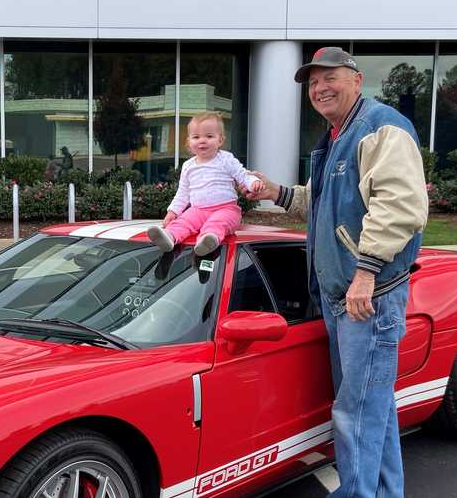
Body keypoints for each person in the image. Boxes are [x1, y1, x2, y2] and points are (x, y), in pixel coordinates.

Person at [248, 46, 428, 498]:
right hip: (342, 297)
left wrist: (366, 272)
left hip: (368, 297)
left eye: (330, 78)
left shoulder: (380, 128)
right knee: (373, 409)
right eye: (313, 83)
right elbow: (326, 203)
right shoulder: (334, 138)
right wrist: (278, 193)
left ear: (356, 80)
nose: (320, 88)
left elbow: (400, 206)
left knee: (355, 411)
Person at [146, 112, 261, 256]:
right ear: (189, 142)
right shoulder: (188, 166)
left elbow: (242, 175)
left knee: (218, 223)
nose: (202, 141)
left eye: (209, 136)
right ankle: (169, 237)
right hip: (198, 210)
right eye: (196, 137)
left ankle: (208, 241)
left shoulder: (226, 159)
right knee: (183, 222)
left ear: (220, 140)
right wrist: (172, 212)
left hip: (226, 209)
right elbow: (183, 193)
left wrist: (253, 183)